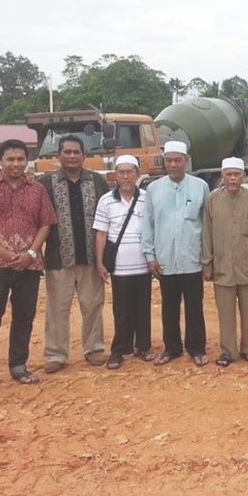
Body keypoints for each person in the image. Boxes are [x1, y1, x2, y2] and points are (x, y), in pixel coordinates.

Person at [0, 139, 58, 397]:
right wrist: (2, 252)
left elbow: (46, 223)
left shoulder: (37, 190)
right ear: (0, 160)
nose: (15, 164)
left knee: (24, 317)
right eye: (10, 159)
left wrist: (31, 253)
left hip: (29, 265)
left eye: (20, 159)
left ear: (26, 160)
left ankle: (19, 366)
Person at [39, 136, 110, 373]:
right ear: (58, 155)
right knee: (58, 308)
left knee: (93, 305)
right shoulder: (46, 183)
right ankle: (56, 354)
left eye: (76, 152)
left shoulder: (97, 181)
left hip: (92, 258)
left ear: (84, 155)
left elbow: (108, 218)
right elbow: (39, 220)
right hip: (59, 257)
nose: (71, 156)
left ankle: (94, 348)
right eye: (67, 152)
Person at [142, 141, 210, 367]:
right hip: (165, 260)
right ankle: (172, 348)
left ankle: (197, 348)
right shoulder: (153, 189)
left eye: (177, 160)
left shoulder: (200, 186)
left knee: (194, 306)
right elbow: (148, 225)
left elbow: (207, 225)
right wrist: (150, 256)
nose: (173, 164)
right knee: (169, 307)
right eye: (168, 160)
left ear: (186, 161)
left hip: (192, 258)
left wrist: (207, 258)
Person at [204, 157, 248, 367]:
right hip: (222, 266)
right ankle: (228, 351)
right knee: (225, 312)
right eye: (228, 174)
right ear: (222, 176)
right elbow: (206, 234)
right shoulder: (212, 200)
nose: (232, 178)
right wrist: (207, 264)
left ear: (243, 176)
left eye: (236, 174)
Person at [93, 155, 153, 370]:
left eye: (130, 172)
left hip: (143, 265)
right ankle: (119, 350)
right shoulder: (106, 200)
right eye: (121, 172)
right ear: (116, 175)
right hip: (119, 267)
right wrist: (100, 263)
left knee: (143, 308)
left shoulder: (148, 198)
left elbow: (153, 229)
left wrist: (152, 259)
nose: (126, 176)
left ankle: (144, 347)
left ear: (137, 174)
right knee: (121, 309)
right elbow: (101, 234)